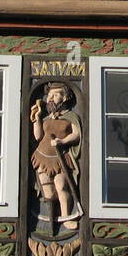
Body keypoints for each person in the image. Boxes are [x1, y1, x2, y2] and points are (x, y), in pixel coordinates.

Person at [30, 83, 83, 232]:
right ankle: (52, 218)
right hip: (42, 157)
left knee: (61, 186)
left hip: (60, 157)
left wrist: (62, 141)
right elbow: (38, 136)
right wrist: (37, 119)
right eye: (50, 95)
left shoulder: (70, 116)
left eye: (56, 94)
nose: (51, 98)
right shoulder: (46, 117)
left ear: (64, 97)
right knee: (48, 191)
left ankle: (66, 217)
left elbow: (77, 134)